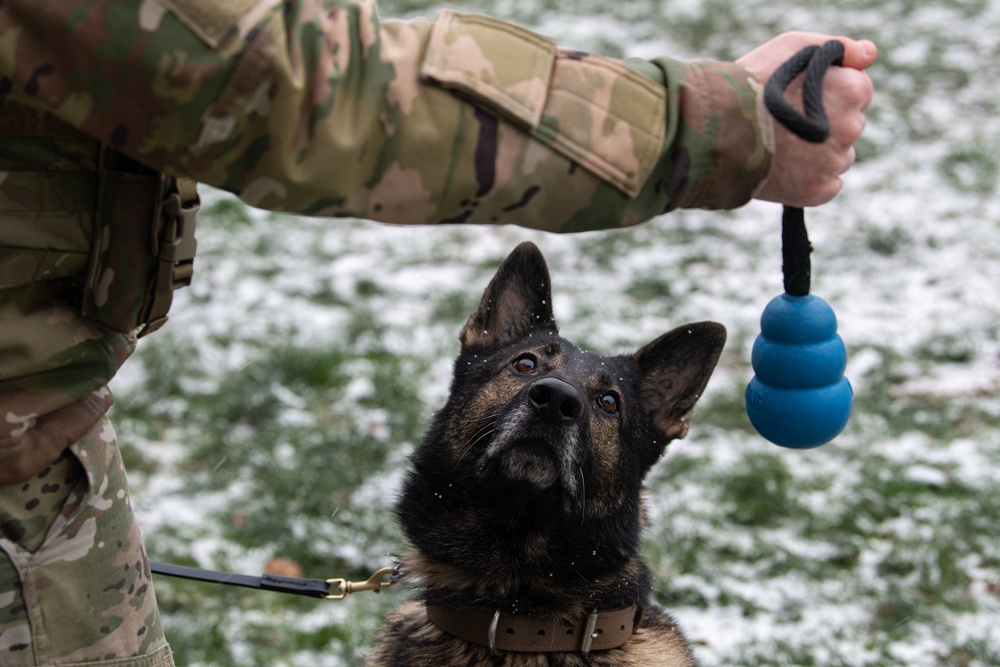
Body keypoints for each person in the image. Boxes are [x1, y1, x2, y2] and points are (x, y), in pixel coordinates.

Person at [0, 0, 875, 664]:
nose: (556, 393)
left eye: (602, 400)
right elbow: (289, 86)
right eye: (528, 365)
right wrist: (718, 123)